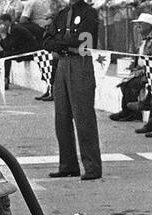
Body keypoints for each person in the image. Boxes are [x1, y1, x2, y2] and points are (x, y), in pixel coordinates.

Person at [45, 0, 102, 179]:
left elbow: (84, 41)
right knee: (61, 118)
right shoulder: (62, 14)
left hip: (80, 62)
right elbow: (46, 40)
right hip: (62, 63)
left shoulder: (89, 13)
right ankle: (68, 164)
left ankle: (92, 166)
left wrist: (59, 42)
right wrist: (64, 43)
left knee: (83, 116)